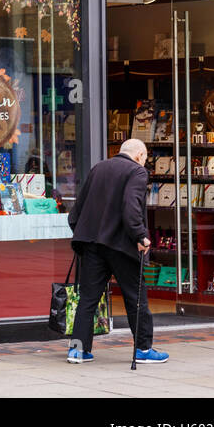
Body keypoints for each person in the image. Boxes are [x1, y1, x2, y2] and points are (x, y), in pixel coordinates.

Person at [65, 138, 168, 364]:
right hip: (122, 246)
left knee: (88, 298)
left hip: (92, 244)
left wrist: (83, 235)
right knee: (136, 298)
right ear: (140, 155)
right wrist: (141, 236)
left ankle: (78, 350)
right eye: (145, 159)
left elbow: (75, 212)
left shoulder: (98, 168)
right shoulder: (137, 172)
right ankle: (143, 348)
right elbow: (131, 208)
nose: (145, 163)